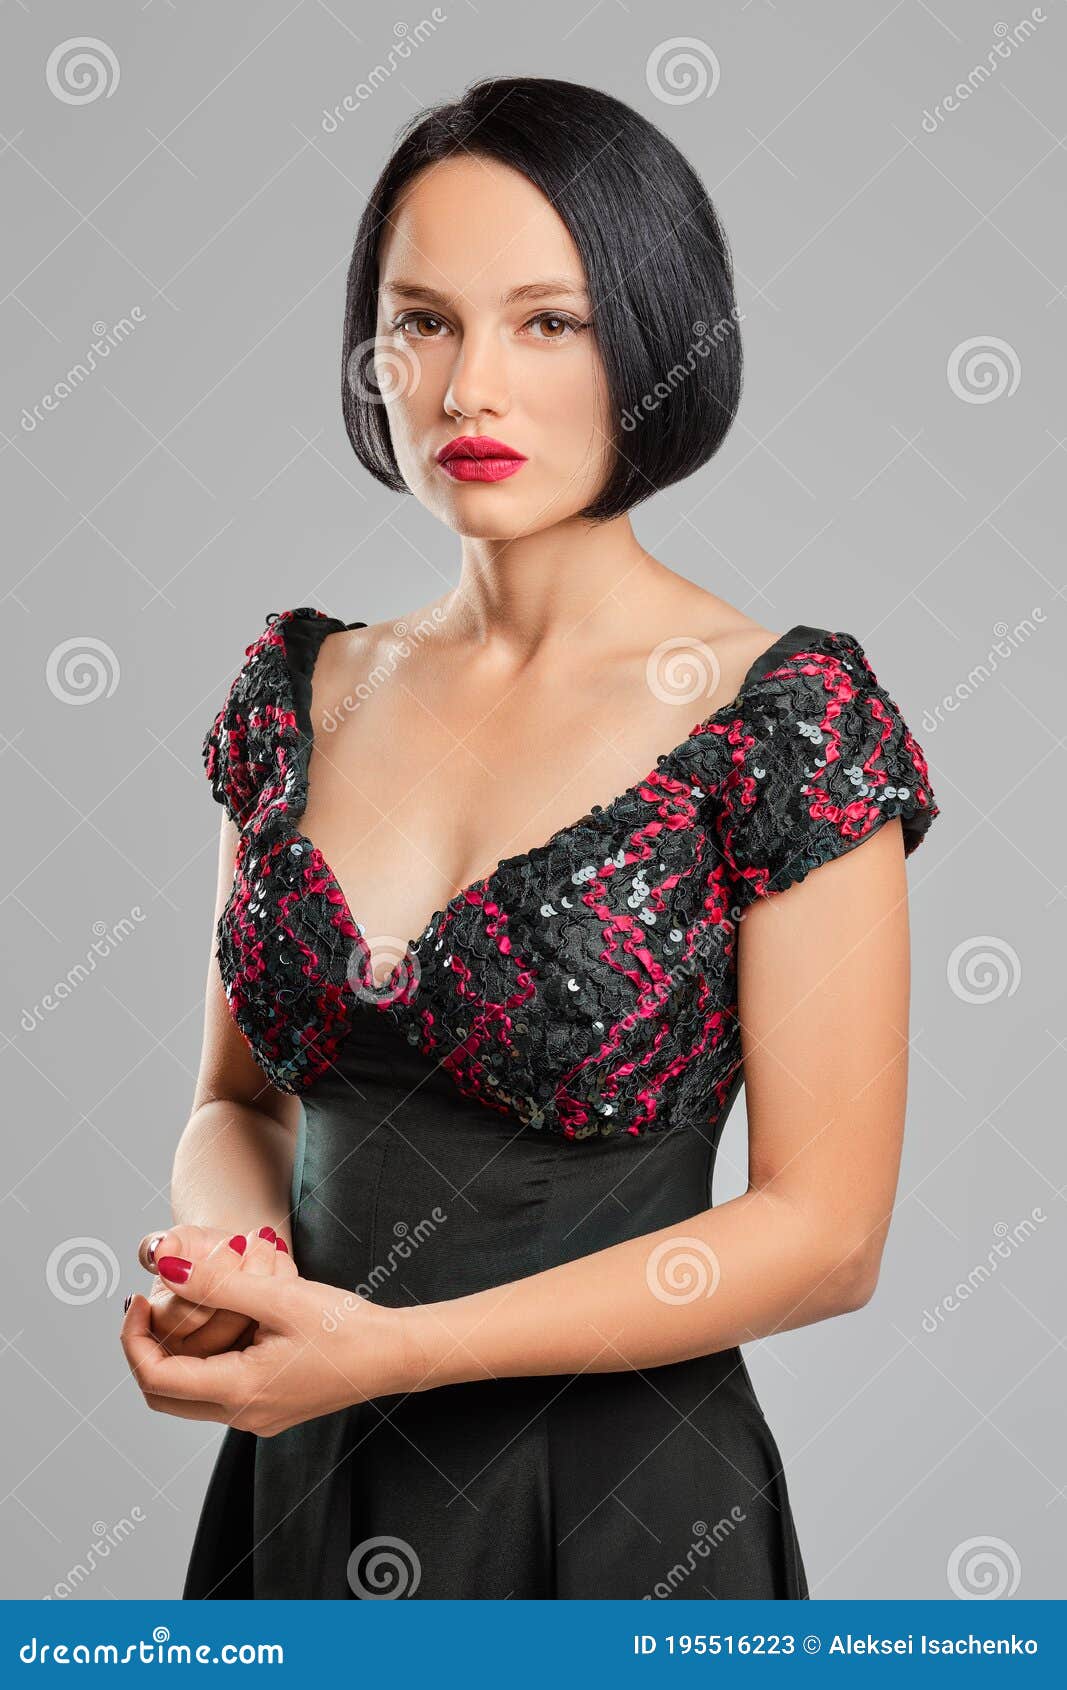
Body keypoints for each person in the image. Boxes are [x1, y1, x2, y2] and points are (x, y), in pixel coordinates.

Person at [120, 74, 940, 1601]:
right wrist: (231, 1273)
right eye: (421, 320)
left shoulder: (786, 718)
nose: (466, 387)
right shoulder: (297, 690)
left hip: (624, 1519)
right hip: (302, 1480)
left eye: (545, 321)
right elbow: (236, 1104)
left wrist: (392, 1349)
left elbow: (826, 1233)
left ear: (650, 336)